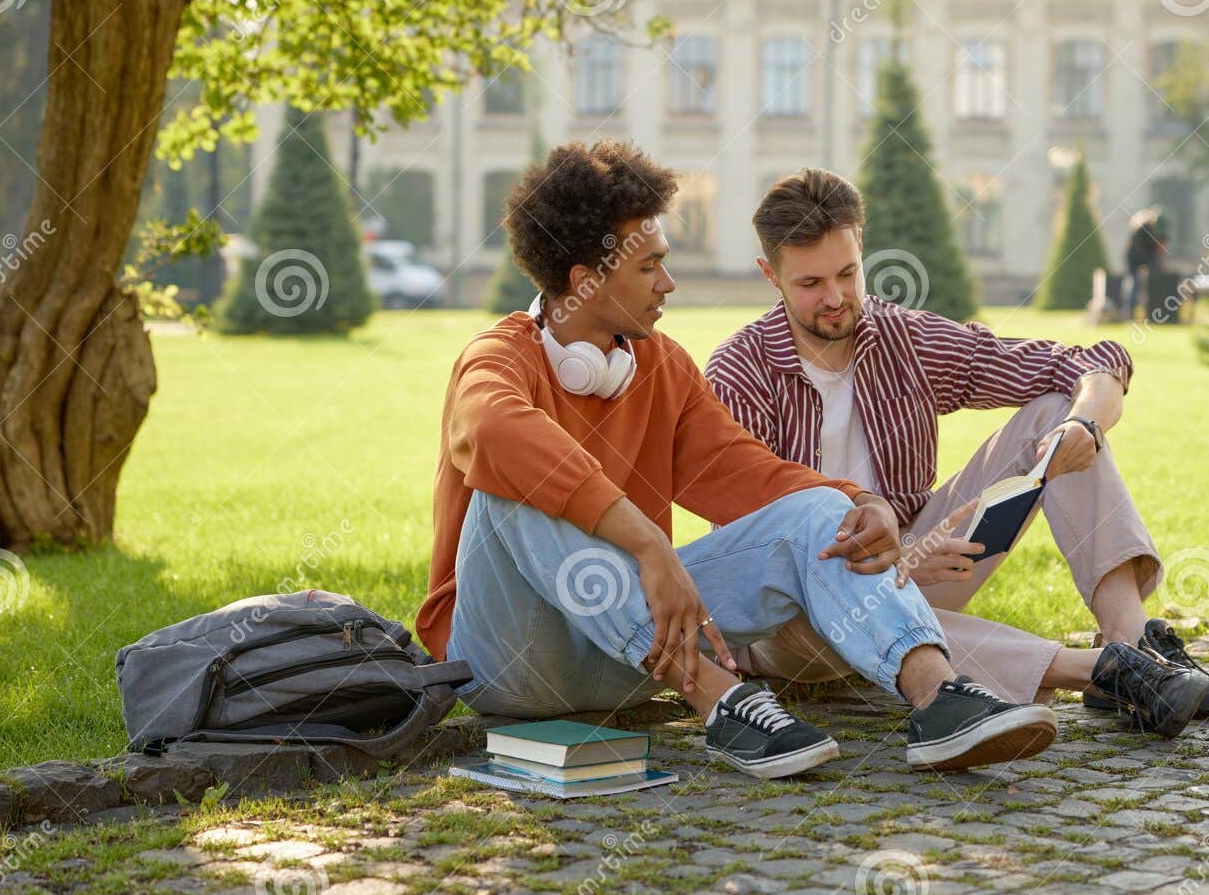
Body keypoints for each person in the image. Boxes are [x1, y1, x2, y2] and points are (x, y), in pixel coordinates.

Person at [414, 140, 1065, 781]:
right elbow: (494, 432)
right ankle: (722, 700)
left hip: (629, 659)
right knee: (509, 490)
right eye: (649, 268)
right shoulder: (496, 358)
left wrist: (856, 502)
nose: (668, 283)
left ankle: (938, 697)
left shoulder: (662, 366)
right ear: (586, 282)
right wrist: (643, 540)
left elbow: (745, 473)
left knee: (817, 512)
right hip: (511, 659)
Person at [704, 168, 1209, 736]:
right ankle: (1098, 673)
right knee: (827, 598)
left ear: (862, 247)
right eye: (811, 283)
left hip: (922, 559)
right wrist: (902, 558)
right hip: (798, 625)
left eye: (847, 273)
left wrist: (1084, 422)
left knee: (1054, 415)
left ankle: (1134, 646)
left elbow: (1088, 365)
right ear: (771, 274)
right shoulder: (739, 374)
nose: (837, 298)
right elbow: (760, 562)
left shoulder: (903, 341)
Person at [1123, 209, 1168, 321]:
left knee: (1148, 284)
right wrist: (1149, 262)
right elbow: (1140, 249)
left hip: (1141, 259)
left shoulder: (1152, 230)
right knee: (1134, 284)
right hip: (1135, 260)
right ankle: (1130, 314)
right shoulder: (1143, 229)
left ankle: (1152, 311)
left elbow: (1155, 249)